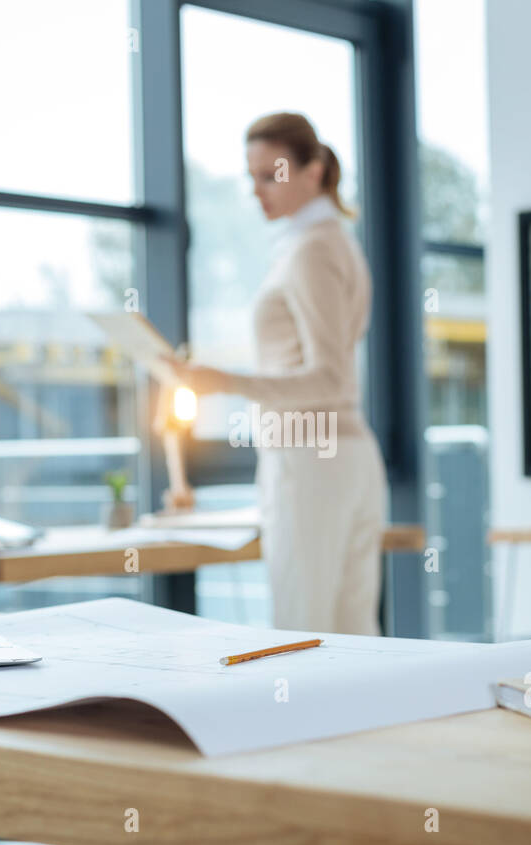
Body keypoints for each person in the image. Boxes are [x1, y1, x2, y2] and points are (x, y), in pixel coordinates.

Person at [161, 112, 389, 636]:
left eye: (272, 174)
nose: (258, 190)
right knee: (354, 635)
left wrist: (222, 381)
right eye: (252, 177)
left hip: (310, 458)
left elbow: (327, 378)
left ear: (312, 171)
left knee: (302, 631)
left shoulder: (311, 250)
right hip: (344, 457)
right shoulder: (332, 242)